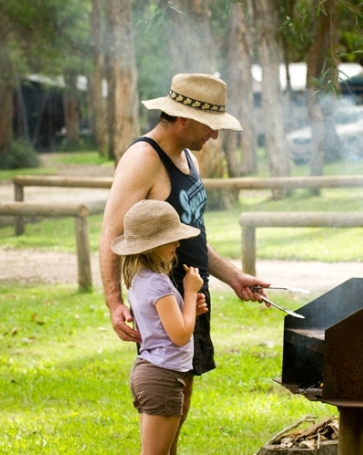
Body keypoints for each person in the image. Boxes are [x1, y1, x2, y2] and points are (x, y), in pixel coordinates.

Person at [99, 73, 270, 455]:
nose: (214, 136)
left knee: (182, 399)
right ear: (183, 118)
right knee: (167, 397)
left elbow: (191, 233)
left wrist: (233, 277)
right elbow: (111, 233)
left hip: (191, 291)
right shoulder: (143, 159)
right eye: (211, 127)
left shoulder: (188, 157)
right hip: (165, 296)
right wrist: (113, 303)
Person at [111, 199, 205, 455]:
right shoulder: (160, 285)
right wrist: (189, 292)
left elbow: (162, 324)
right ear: (152, 245)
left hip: (149, 370)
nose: (178, 243)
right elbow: (180, 335)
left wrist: (188, 309)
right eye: (171, 238)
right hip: (163, 376)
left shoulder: (139, 278)